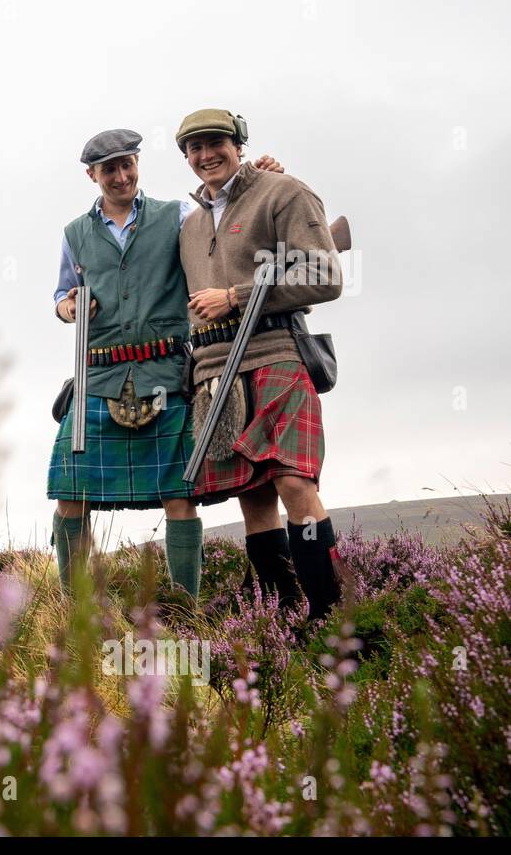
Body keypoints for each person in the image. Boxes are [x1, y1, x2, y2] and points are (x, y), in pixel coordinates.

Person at [48, 130, 285, 601]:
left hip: (166, 373)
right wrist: (69, 306)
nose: (120, 176)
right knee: (69, 494)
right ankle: (73, 608)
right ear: (91, 175)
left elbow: (223, 222)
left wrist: (256, 181)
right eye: (108, 169)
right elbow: (60, 296)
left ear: (137, 163)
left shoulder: (176, 216)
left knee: (181, 496)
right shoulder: (75, 233)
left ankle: (185, 606)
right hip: (98, 376)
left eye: (127, 164)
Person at [175, 108, 344, 626]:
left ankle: (331, 619)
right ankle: (284, 621)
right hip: (213, 372)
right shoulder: (190, 223)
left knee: (295, 485)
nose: (206, 155)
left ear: (239, 143)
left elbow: (326, 273)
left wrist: (235, 296)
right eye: (194, 147)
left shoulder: (284, 191)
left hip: (274, 353)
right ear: (185, 157)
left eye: (216, 143)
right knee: (252, 499)